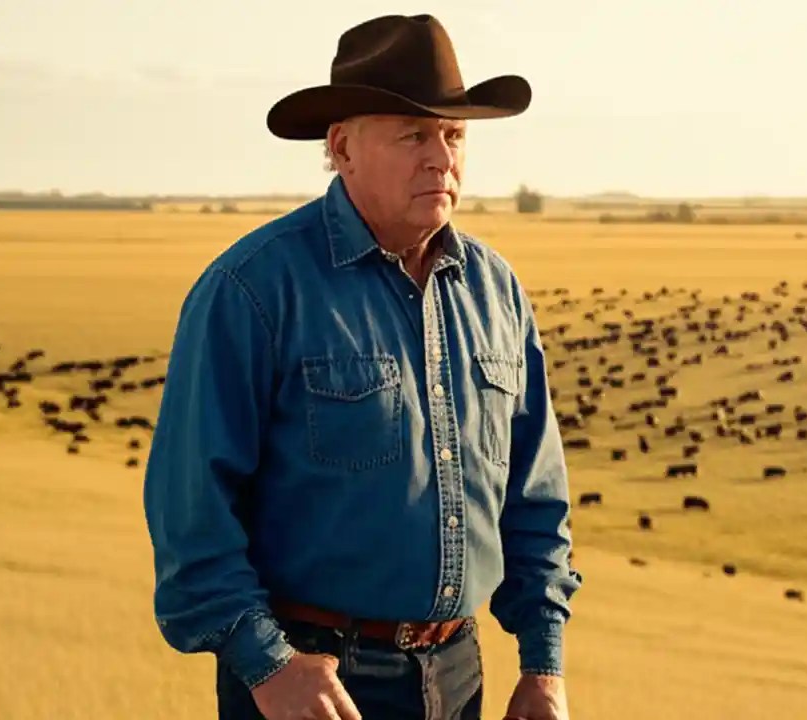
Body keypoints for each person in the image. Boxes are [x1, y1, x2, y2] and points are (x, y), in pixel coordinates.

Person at [142, 14, 581, 720]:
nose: (441, 157)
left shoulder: (496, 291)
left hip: (460, 672)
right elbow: (191, 512)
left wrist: (543, 665)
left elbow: (534, 497)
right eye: (414, 134)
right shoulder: (254, 289)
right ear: (342, 147)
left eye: (455, 135)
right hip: (310, 683)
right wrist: (267, 665)